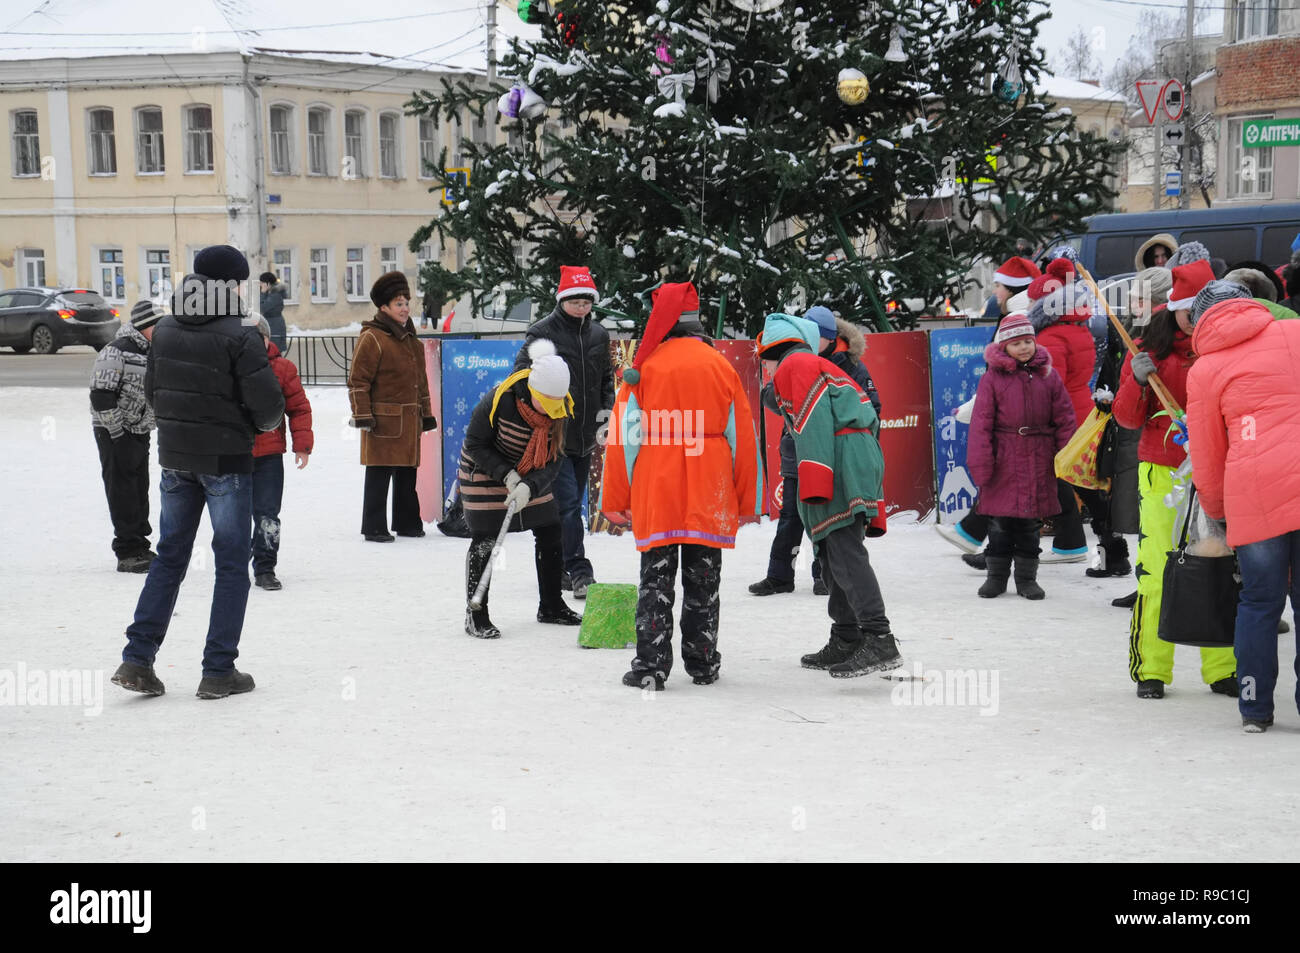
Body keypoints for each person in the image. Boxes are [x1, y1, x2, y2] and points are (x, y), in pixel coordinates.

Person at [111, 244, 284, 700]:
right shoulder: (242, 333)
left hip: (175, 459)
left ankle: (137, 658)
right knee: (230, 564)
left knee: (170, 557)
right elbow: (268, 407)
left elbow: (152, 392)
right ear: (231, 285)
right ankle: (218, 670)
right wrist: (252, 427)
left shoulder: (164, 328)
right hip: (226, 462)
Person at [601, 282, 760, 690]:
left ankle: (650, 666)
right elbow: (741, 436)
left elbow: (624, 438)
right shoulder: (719, 366)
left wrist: (617, 496)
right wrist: (745, 499)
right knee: (704, 580)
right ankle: (703, 662)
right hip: (710, 483)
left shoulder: (644, 369)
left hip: (658, 484)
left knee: (655, 580)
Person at [1112, 258, 1237, 700]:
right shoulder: (1148, 347)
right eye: (1191, 310)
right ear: (1175, 309)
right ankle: (1151, 668)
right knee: (1158, 572)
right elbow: (1127, 419)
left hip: (1217, 471)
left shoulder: (1224, 346)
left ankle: (1222, 667)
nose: (1198, 318)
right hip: (1163, 473)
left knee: (1219, 567)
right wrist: (1139, 380)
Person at [755, 311, 898, 674]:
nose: (767, 371)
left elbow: (812, 420)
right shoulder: (806, 363)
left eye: (765, 363)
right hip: (847, 454)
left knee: (845, 552)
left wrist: (817, 481)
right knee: (832, 552)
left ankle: (879, 639)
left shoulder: (796, 365)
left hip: (837, 456)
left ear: (774, 351)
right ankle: (847, 635)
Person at [1185, 282, 1300, 732]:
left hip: (1254, 496)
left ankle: (1255, 707)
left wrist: (1216, 509)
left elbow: (1209, 455)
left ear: (1201, 321)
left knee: (1257, 603)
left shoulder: (1206, 368)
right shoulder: (1295, 333)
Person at [750, 305, 881, 597]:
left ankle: (825, 575)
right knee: (791, 518)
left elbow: (870, 409)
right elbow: (772, 398)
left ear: (828, 337)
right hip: (797, 452)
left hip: (833, 456)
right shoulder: (795, 360)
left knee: (832, 521)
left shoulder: (850, 366)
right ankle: (779, 574)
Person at [459, 339, 582, 639]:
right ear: (532, 390)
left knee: (551, 528)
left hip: (531, 472)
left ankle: (551, 605)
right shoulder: (500, 399)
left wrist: (529, 485)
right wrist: (508, 476)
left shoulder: (560, 408)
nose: (552, 413)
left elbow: (555, 458)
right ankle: (476, 615)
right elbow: (475, 444)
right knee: (486, 540)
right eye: (546, 404)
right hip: (486, 469)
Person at [513, 266, 614, 599]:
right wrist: (538, 421)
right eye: (575, 300)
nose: (582, 307)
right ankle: (580, 571)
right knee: (569, 506)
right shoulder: (542, 333)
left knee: (566, 506)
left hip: (585, 438)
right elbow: (519, 380)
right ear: (562, 299)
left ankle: (557, 567)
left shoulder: (599, 334)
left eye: (587, 301)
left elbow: (605, 381)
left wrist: (606, 415)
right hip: (554, 436)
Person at [966, 312, 1076, 600]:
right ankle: (996, 577)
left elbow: (1064, 417)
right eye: (1017, 343)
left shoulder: (1048, 376)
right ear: (1004, 347)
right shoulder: (992, 378)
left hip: (1039, 459)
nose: (1025, 347)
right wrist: (981, 462)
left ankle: (1027, 579)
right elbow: (981, 424)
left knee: (1030, 525)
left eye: (1029, 341)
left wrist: (1066, 455)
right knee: (999, 524)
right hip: (1004, 459)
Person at [1027, 267, 1109, 565]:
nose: (1029, 306)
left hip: (1059, 417)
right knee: (1068, 479)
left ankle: (1069, 541)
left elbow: (1050, 386)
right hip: (1079, 411)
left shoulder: (1051, 338)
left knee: (1055, 477)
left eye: (1033, 301)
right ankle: (1078, 540)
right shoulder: (1078, 329)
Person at [347, 271, 437, 542]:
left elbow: (421, 383)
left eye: (406, 302)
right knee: (379, 473)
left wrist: (426, 414)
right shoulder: (373, 337)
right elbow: (358, 381)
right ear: (383, 307)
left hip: (409, 420)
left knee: (408, 473)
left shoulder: (411, 339)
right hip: (382, 421)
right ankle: (374, 526)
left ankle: (407, 522)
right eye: (398, 303)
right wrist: (362, 415)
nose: (405, 308)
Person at [91, 300, 162, 573]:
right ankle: (127, 552)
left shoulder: (152, 352)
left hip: (139, 430)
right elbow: (101, 395)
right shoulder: (116, 351)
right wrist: (117, 432)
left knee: (138, 488)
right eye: (157, 326)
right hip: (114, 432)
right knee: (122, 489)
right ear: (144, 327)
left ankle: (139, 544)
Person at [243, 315, 313, 591]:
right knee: (235, 514)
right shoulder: (229, 367)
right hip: (235, 453)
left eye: (257, 338)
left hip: (269, 457)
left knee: (268, 514)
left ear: (267, 339)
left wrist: (302, 446)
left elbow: (298, 408)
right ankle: (236, 563)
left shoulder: (283, 369)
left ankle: (265, 567)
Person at [979, 255, 1040, 320]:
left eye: (997, 286)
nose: (994, 291)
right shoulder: (1029, 313)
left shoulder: (1015, 319)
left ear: (1011, 289)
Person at [258, 271, 287, 353]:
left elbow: (262, 307)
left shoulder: (275, 295)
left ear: (267, 283)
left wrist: (263, 292)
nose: (260, 285)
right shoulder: (270, 293)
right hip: (271, 325)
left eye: (261, 283)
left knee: (274, 353)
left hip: (275, 327)